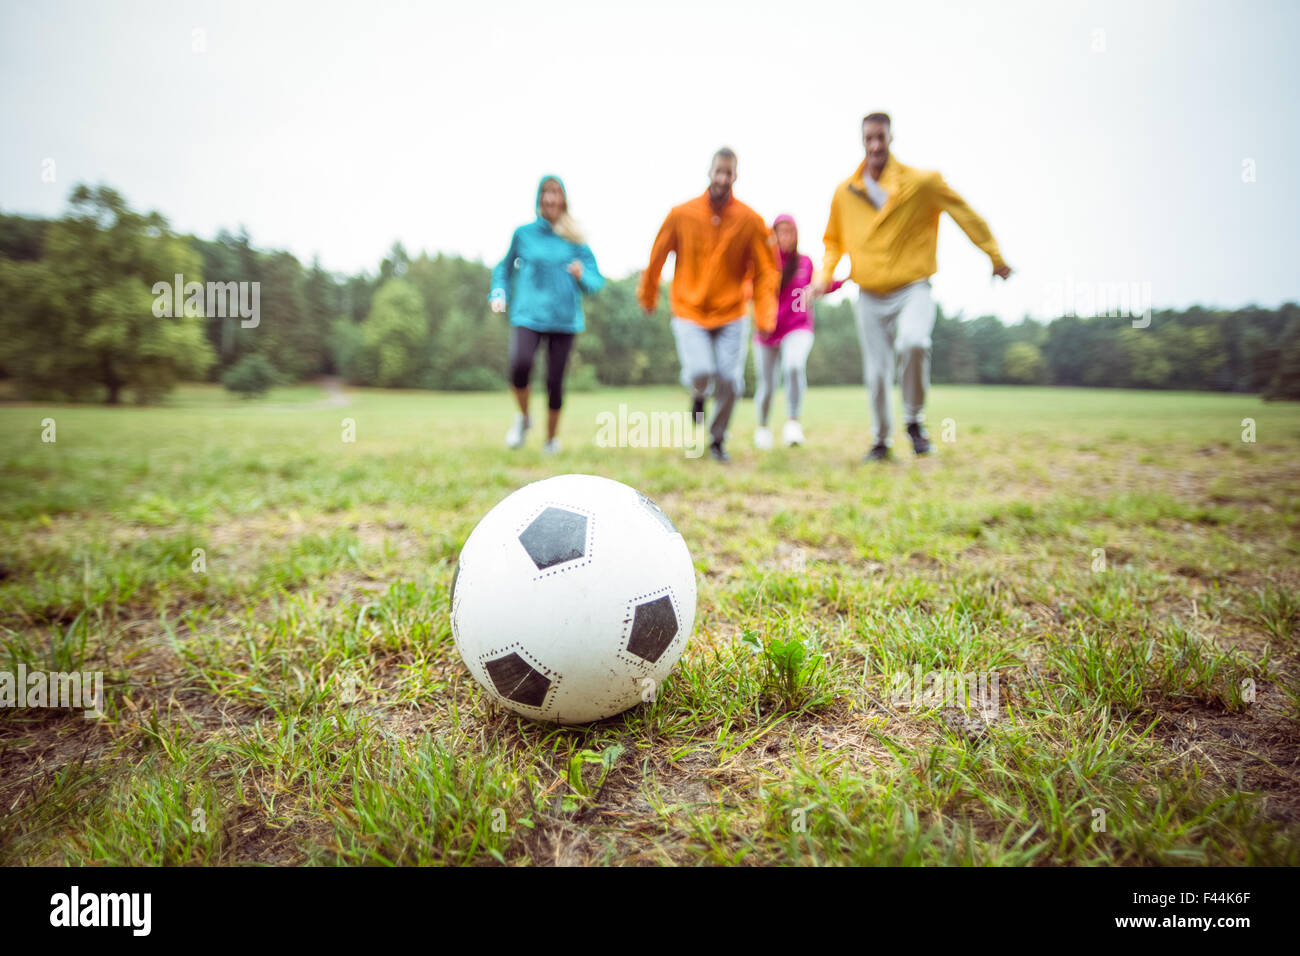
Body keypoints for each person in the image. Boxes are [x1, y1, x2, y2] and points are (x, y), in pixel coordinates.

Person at [813, 112, 1012, 462]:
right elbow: (833, 241)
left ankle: (914, 421)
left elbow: (966, 214)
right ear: (862, 141)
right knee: (876, 373)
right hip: (869, 294)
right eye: (868, 138)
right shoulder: (845, 192)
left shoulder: (922, 183)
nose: (875, 144)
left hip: (913, 289)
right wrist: (824, 274)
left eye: (881, 137)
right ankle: (880, 441)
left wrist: (994, 256)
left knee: (914, 343)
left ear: (891, 138)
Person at [637, 147, 780, 462]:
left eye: (728, 173)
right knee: (701, 371)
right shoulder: (681, 214)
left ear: (736, 176)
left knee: (731, 381)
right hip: (689, 310)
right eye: (718, 171)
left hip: (731, 312)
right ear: (709, 171)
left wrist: (765, 314)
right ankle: (699, 395)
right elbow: (657, 255)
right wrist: (648, 294)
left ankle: (717, 439)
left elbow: (767, 271)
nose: (722, 178)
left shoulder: (751, 220)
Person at [489, 175, 604, 454]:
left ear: (564, 199)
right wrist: (498, 293)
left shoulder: (575, 237)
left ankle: (551, 441)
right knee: (519, 366)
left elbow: (596, 281)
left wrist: (581, 275)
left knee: (555, 381)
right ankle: (525, 418)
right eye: (546, 192)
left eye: (556, 193)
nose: (551, 198)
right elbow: (502, 269)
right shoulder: (523, 234)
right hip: (527, 314)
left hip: (564, 320)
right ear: (538, 198)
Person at [753, 214, 843, 449]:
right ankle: (762, 427)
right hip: (766, 330)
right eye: (779, 232)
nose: (784, 237)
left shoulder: (805, 263)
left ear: (796, 235)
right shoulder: (762, 263)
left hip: (797, 325)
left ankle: (793, 423)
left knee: (793, 365)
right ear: (772, 235)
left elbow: (821, 284)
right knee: (767, 384)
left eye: (789, 232)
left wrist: (842, 281)